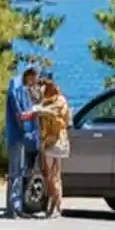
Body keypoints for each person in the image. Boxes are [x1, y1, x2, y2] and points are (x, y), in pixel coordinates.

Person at [32, 75, 71, 219]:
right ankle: (55, 205)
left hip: (55, 142)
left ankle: (55, 206)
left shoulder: (58, 101)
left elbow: (53, 113)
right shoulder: (47, 101)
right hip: (49, 142)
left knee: (52, 175)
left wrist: (38, 108)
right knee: (52, 175)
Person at [3, 65, 39, 218]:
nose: (33, 83)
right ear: (29, 75)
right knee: (15, 172)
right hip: (17, 136)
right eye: (33, 80)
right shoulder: (15, 87)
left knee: (20, 172)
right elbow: (19, 114)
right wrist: (29, 118)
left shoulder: (22, 88)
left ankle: (16, 207)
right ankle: (13, 208)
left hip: (24, 136)